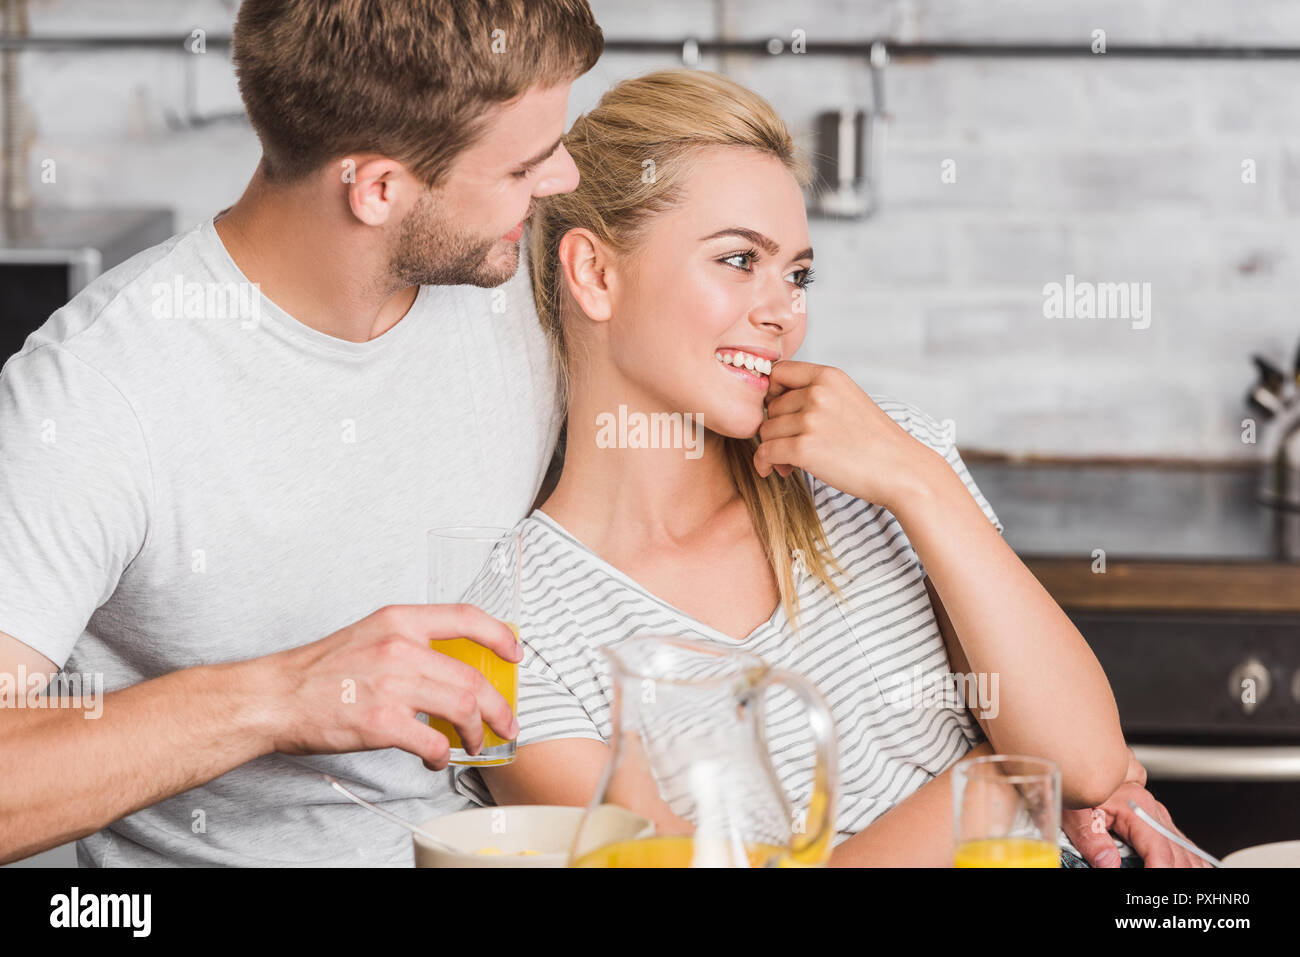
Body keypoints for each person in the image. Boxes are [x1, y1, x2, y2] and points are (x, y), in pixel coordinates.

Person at [452, 68, 1212, 868]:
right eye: (740, 259)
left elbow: (1086, 761)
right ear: (595, 274)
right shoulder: (512, 638)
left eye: (798, 273)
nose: (785, 311)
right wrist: (996, 787)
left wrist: (918, 482)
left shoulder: (885, 468)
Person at [0, 0, 603, 866]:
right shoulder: (95, 395)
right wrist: (279, 698)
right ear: (378, 189)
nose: (564, 179)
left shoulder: (522, 282)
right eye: (524, 167)